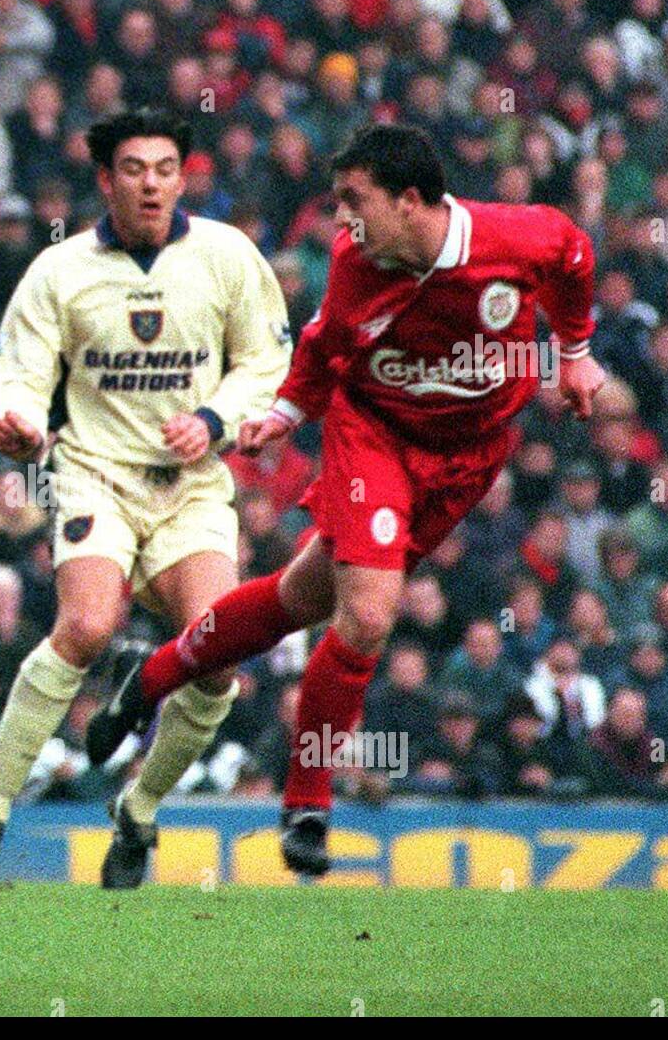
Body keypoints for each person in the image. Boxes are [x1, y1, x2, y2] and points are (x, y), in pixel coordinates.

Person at [84, 122, 608, 876]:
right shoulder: (357, 259)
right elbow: (327, 344)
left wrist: (578, 351)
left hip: (469, 453)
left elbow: (574, 255)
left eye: (353, 201)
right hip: (376, 436)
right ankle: (307, 800)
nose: (342, 219)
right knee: (366, 614)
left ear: (410, 200)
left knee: (303, 596)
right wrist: (286, 416)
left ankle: (155, 672)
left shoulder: (515, 236)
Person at [0, 107, 290, 888]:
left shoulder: (228, 256)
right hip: (95, 472)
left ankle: (137, 811)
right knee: (88, 623)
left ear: (183, 176)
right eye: (134, 169)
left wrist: (213, 419)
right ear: (105, 180)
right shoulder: (59, 271)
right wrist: (21, 423)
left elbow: (268, 361)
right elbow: (22, 372)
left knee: (217, 660)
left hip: (192, 488)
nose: (151, 184)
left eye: (165, 168)